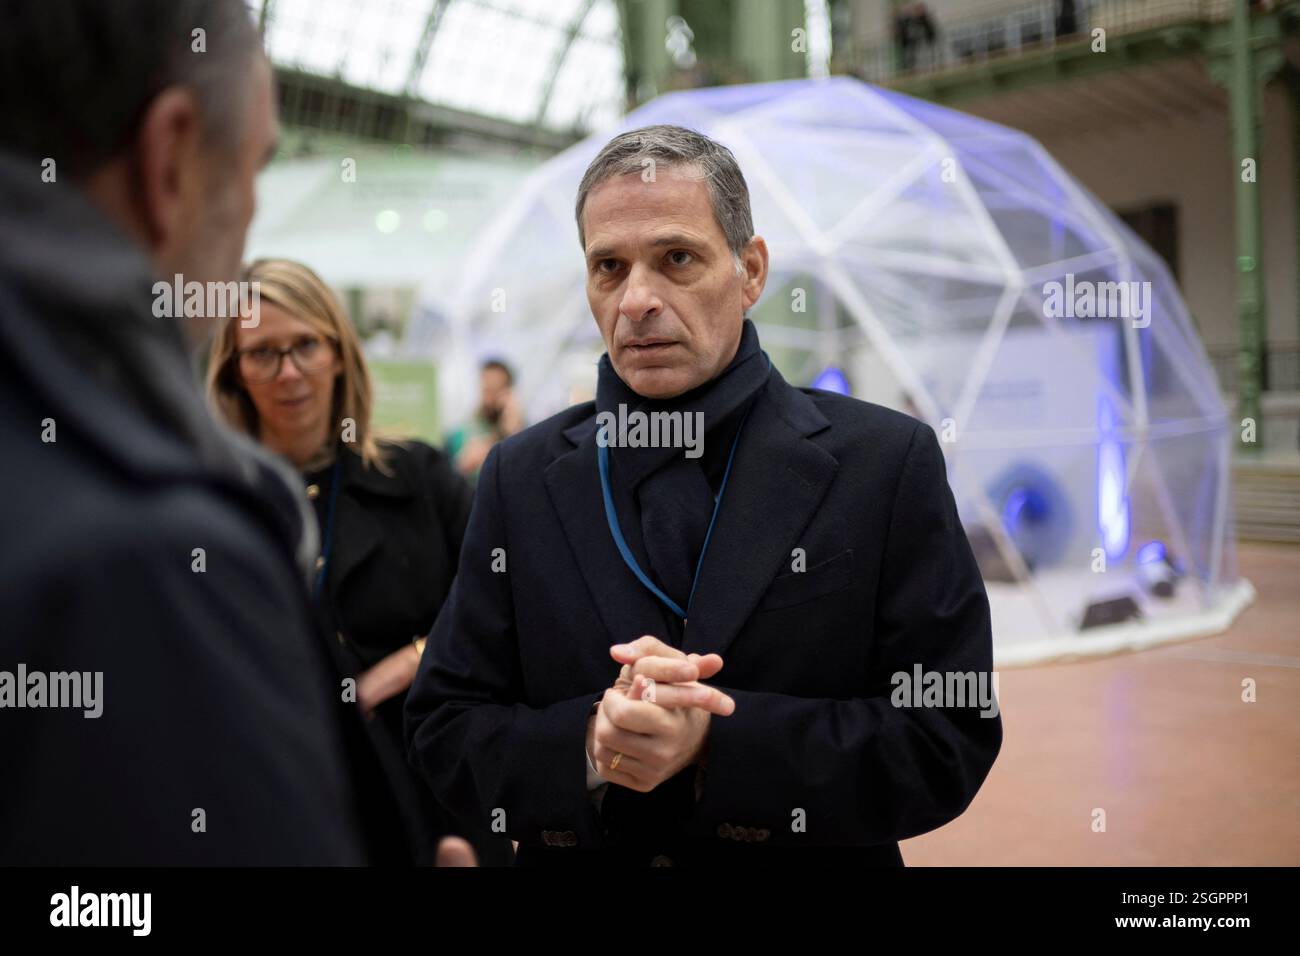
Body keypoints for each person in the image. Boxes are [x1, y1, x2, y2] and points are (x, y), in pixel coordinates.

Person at [406, 125, 1002, 867]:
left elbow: (946, 731)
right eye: (609, 267)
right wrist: (592, 746)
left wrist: (719, 742)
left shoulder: (883, 464)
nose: (638, 300)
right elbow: (444, 727)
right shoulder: (520, 478)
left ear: (750, 270)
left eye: (676, 258)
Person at [0, 0, 474, 866]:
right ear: (171, 156)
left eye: (306, 347)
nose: (288, 372)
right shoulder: (156, 542)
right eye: (253, 167)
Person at [207, 257, 512, 865]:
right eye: (263, 353)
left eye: (305, 346)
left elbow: (507, 605)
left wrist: (413, 658)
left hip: (432, 794)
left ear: (339, 352)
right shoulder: (212, 503)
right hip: (280, 800)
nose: (288, 372)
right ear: (235, 371)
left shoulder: (417, 477)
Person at [446, 359, 524, 482]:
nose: (488, 398)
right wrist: (462, 466)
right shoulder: (459, 434)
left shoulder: (525, 431)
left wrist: (514, 433)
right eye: (485, 390)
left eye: (495, 390)